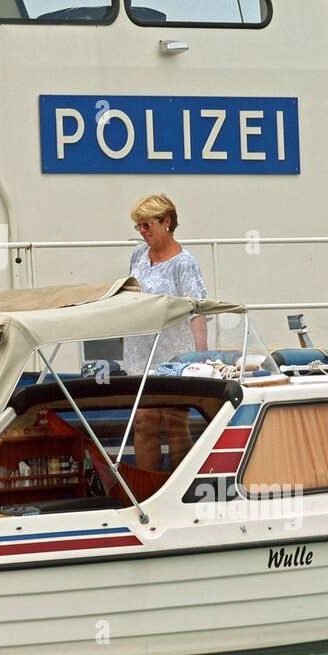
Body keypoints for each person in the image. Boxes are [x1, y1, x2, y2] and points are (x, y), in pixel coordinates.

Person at [123, 194, 209, 472]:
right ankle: (146, 488)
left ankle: (175, 488)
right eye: (139, 227)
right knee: (144, 421)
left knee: (174, 422)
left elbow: (197, 310)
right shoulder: (137, 255)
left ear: (167, 222)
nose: (143, 232)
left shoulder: (185, 263)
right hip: (140, 352)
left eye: (147, 225)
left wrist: (201, 357)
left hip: (173, 354)